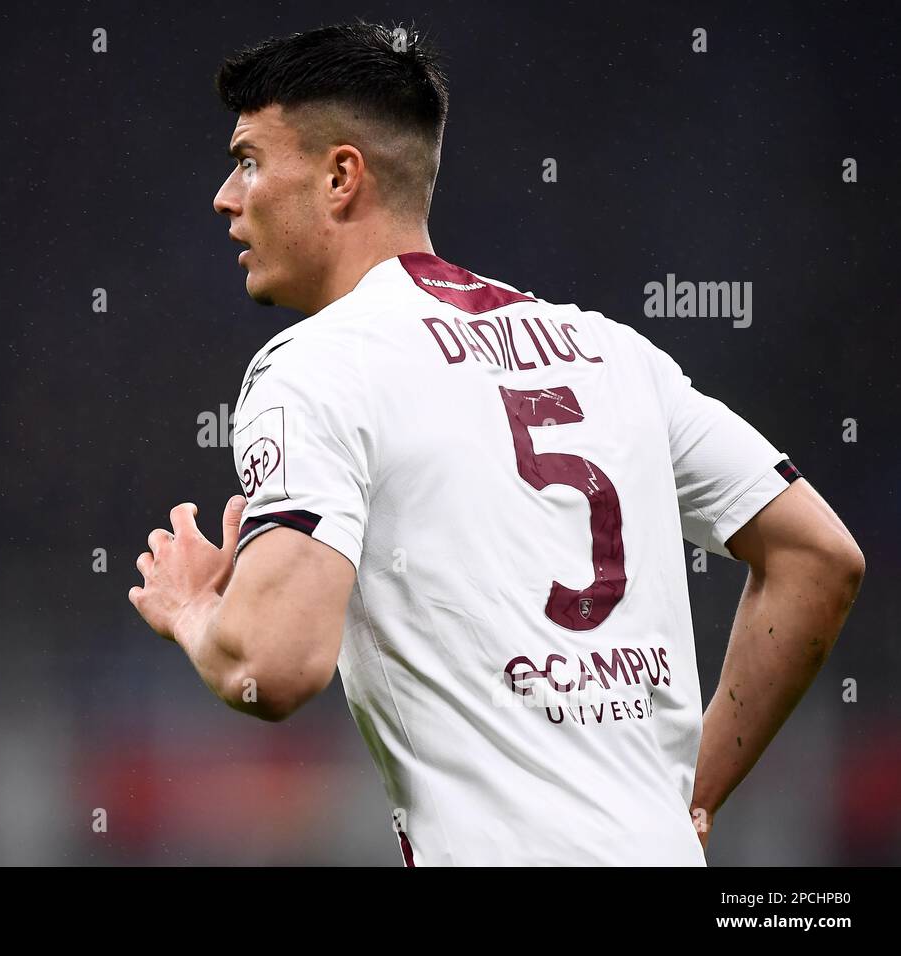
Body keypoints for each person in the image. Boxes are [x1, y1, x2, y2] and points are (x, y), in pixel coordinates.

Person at [127, 22, 865, 865]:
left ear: (341, 176)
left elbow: (275, 662)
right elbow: (819, 557)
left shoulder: (315, 366)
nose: (227, 195)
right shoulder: (613, 352)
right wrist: (690, 797)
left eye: (250, 159)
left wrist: (194, 611)